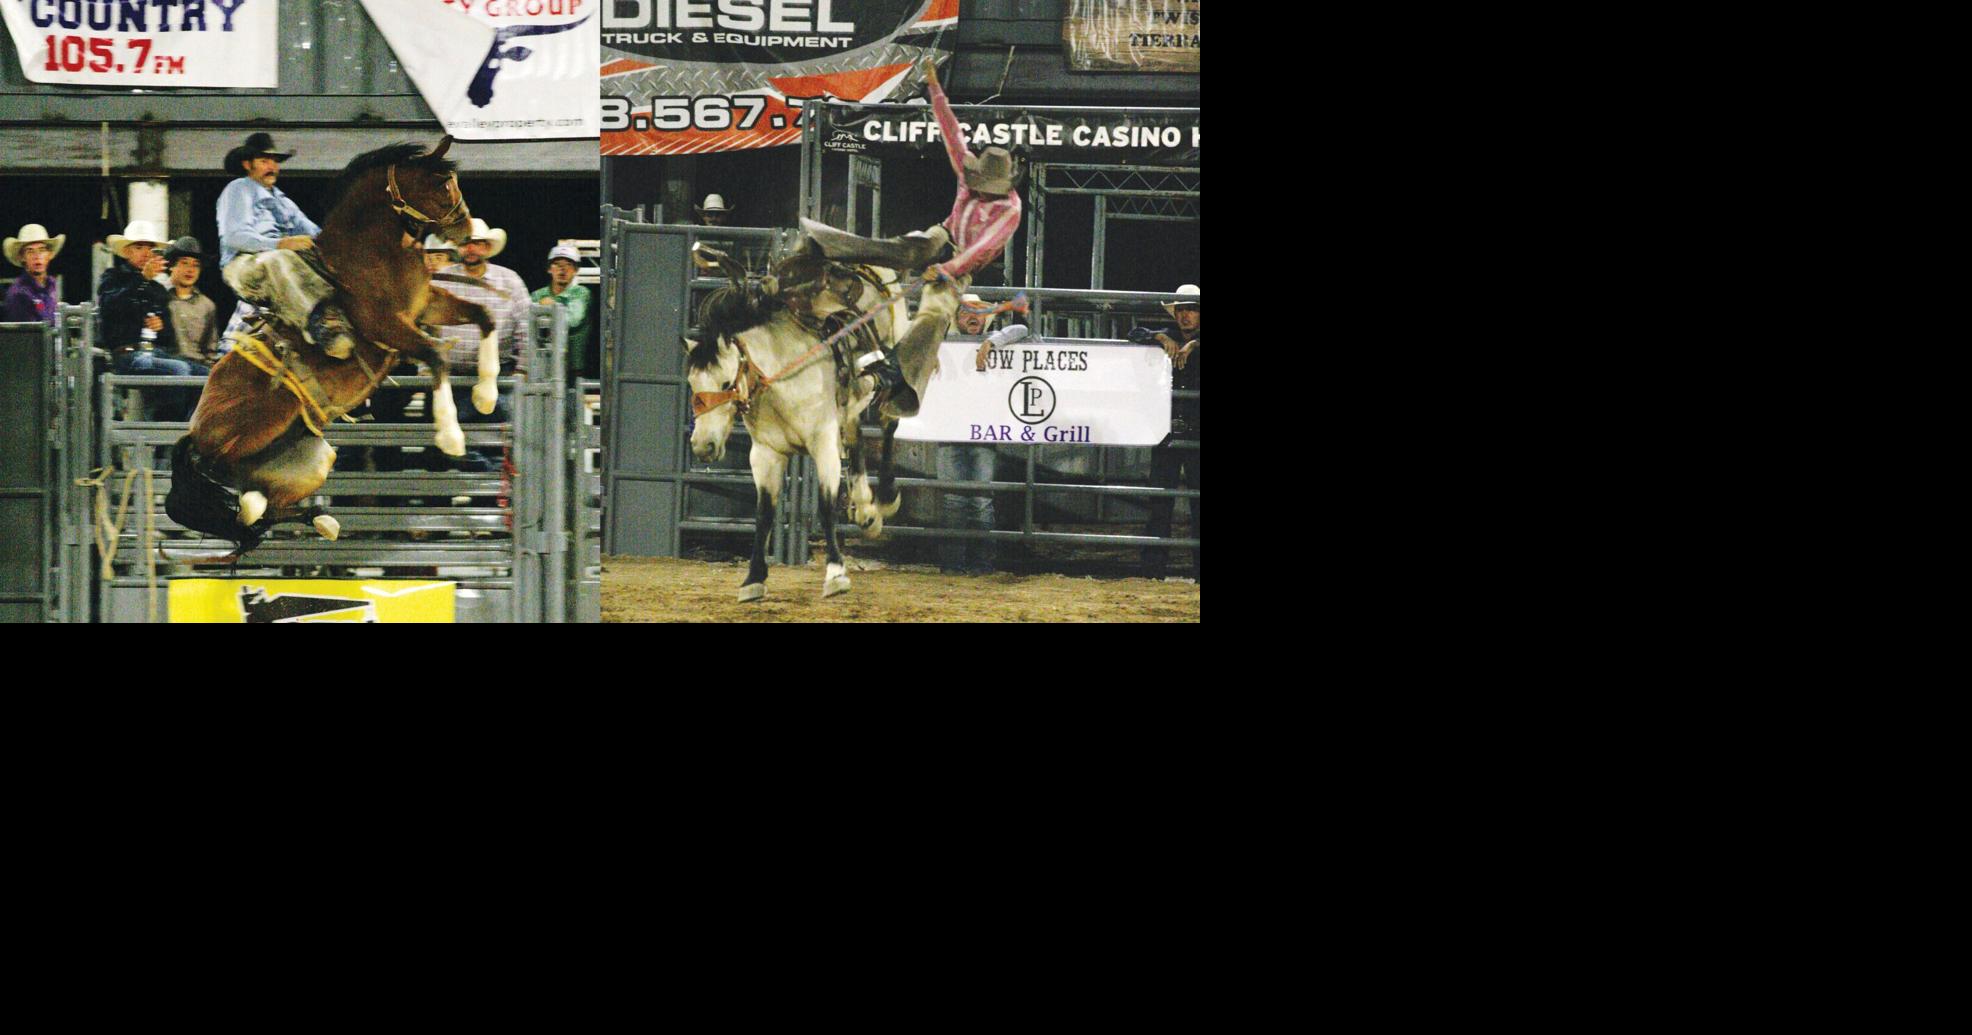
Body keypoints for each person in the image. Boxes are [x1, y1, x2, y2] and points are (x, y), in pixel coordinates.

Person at [794, 57, 1022, 418]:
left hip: (963, 261)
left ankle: (897, 376)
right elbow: (951, 130)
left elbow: (982, 250)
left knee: (935, 313)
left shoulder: (1010, 209)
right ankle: (822, 243)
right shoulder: (968, 168)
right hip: (944, 235)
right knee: (907, 249)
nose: (978, 190)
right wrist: (934, 87)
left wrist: (946, 272)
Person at [372, 217, 529, 474]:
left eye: (477, 244)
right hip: (451, 379)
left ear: (488, 248)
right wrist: (426, 367)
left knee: (496, 446)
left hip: (497, 383)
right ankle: (451, 500)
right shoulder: (441, 281)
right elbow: (420, 325)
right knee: (443, 453)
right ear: (458, 247)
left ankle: (493, 504)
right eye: (466, 243)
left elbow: (526, 329)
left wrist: (521, 372)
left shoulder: (510, 282)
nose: (471, 249)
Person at [215, 132, 354, 357]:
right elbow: (234, 236)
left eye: (275, 161)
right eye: (264, 161)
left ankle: (335, 315)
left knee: (326, 265)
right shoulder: (238, 189)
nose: (272, 166)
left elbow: (314, 234)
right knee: (280, 258)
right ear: (247, 164)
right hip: (242, 265)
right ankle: (317, 325)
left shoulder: (283, 200)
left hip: (281, 267)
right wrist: (281, 243)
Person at [937, 295, 1029, 575]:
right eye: (965, 312)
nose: (973, 317)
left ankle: (979, 566)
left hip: (980, 433)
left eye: (978, 312)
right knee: (956, 501)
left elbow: (1022, 329)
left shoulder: (993, 338)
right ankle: (957, 566)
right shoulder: (943, 342)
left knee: (979, 501)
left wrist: (991, 343)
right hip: (951, 431)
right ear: (956, 318)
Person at [98, 220, 208, 421]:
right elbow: (110, 306)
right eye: (139, 247)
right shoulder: (112, 277)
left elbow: (168, 338)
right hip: (127, 356)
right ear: (127, 252)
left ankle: (184, 431)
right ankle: (166, 431)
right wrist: (142, 279)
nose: (146, 253)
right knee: (180, 369)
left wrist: (161, 328)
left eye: (149, 248)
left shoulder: (157, 289)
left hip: (154, 353)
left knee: (205, 375)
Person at [1129, 284, 1200, 580]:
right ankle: (1152, 569)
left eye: (1192, 310)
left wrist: (1195, 344)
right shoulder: (1165, 335)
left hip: (1196, 434)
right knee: (1160, 502)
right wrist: (1160, 337)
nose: (1185, 316)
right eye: (1181, 310)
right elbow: (1135, 333)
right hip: (1167, 431)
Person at [530, 243, 594, 377]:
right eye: (557, 264)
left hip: (573, 369)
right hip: (543, 365)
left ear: (575, 270)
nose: (562, 269)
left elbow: (573, 320)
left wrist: (552, 306)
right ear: (549, 269)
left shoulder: (581, 293)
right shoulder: (537, 295)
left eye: (568, 265)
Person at [161, 237, 220, 364]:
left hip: (196, 368)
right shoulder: (158, 296)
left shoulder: (207, 305)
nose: (190, 270)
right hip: (166, 367)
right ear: (171, 265)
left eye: (196, 265)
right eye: (184, 263)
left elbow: (210, 349)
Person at [3, 223, 64, 326]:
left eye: (42, 250)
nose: (37, 256)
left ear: (49, 254)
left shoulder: (52, 285)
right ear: (22, 257)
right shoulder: (18, 293)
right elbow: (25, 338)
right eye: (30, 251)